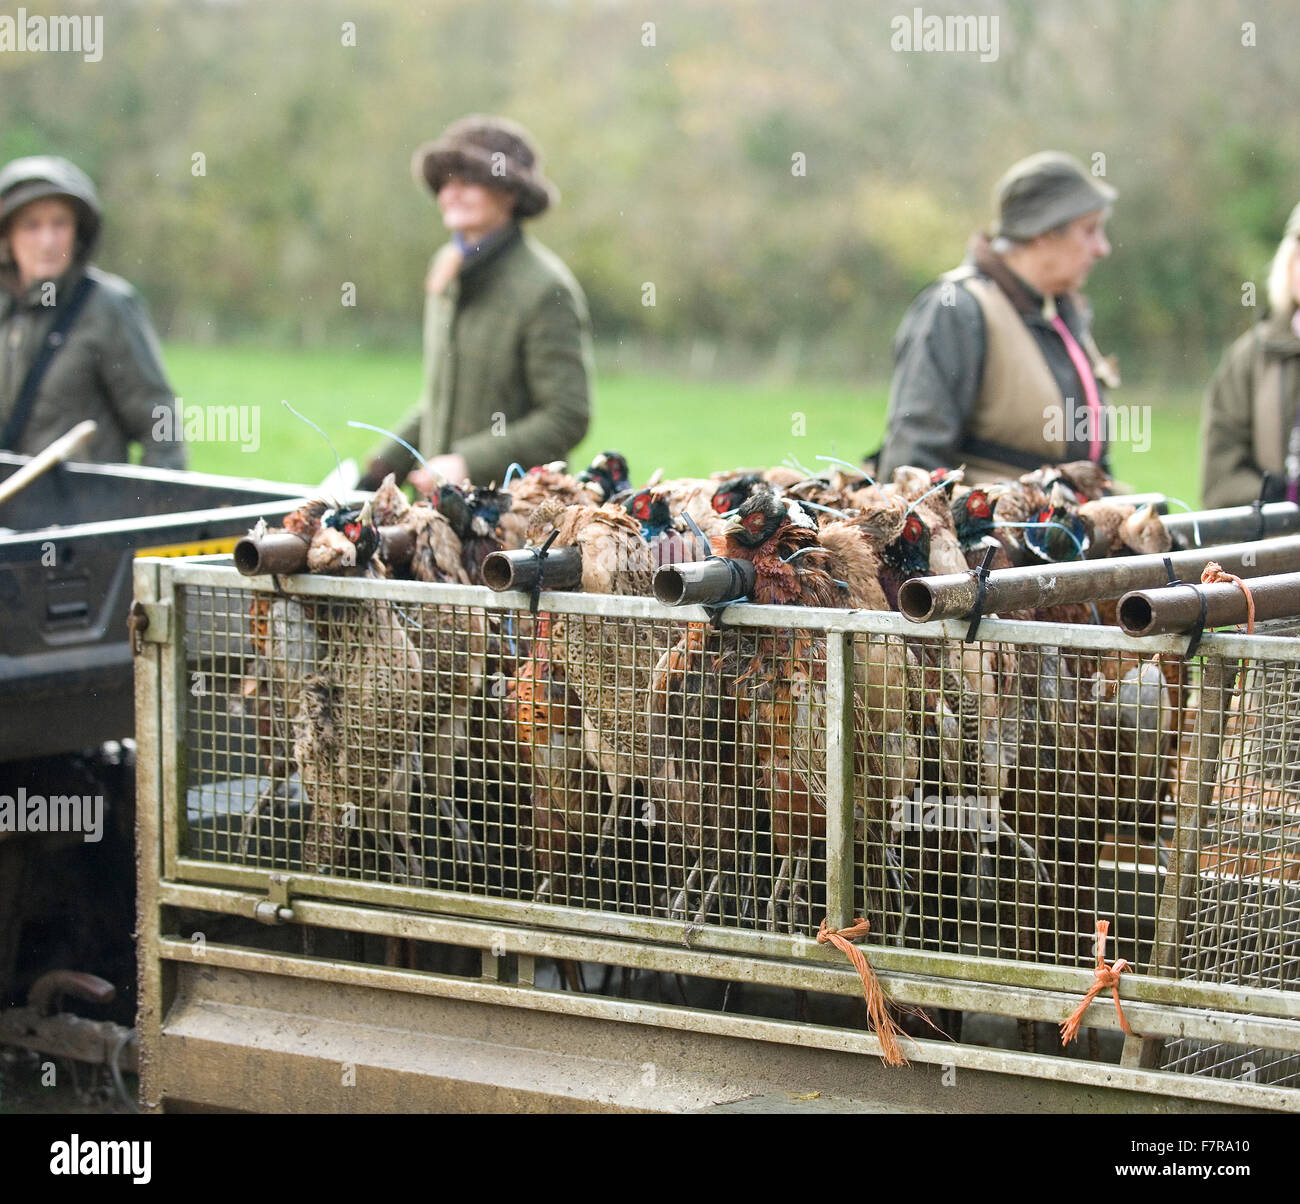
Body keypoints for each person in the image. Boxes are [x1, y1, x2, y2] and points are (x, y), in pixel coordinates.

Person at [360, 116, 592, 492]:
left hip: (517, 518)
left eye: (469, 181)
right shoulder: (446, 267)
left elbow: (566, 417)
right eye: (446, 181)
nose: (451, 193)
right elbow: (445, 396)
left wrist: (468, 461)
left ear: (509, 193)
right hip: (441, 512)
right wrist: (385, 466)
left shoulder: (546, 287)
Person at [876, 151, 1118, 483]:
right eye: (1090, 230)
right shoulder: (956, 309)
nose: (1102, 248)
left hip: (1067, 528)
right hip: (997, 531)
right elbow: (913, 462)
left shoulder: (1060, 312)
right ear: (1044, 232)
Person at [0, 155, 184, 467]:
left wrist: (158, 508)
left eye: (59, 223)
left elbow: (160, 427)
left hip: (85, 509)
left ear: (78, 232)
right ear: (7, 237)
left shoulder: (108, 306)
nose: (47, 241)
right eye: (31, 225)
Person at [1201, 202, 1300, 509]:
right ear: (1289, 263)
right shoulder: (1251, 359)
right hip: (1281, 549)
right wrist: (1278, 500)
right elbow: (1220, 480)